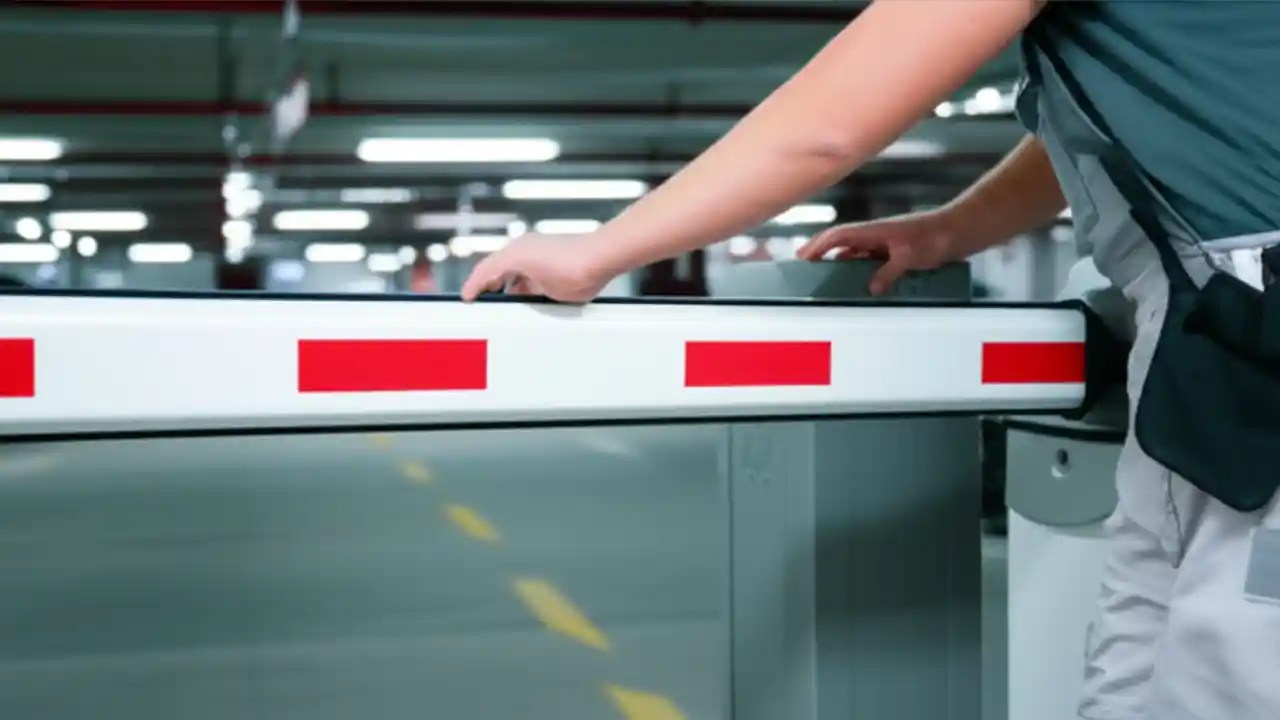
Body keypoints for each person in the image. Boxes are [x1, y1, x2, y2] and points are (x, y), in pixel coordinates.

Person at [463, 3, 1280, 718]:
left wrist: (603, 249)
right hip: (1215, 337)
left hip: (1248, 338)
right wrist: (955, 228)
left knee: (1224, 682)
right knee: (1140, 659)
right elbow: (1131, 109)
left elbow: (826, 128)